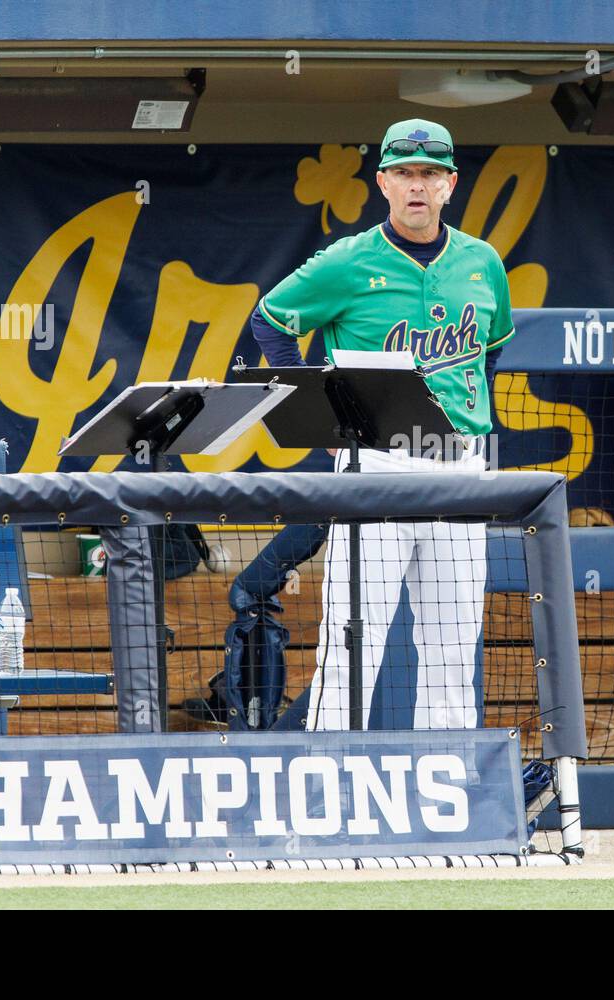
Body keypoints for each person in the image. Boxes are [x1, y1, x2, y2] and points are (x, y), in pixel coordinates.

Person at [248, 118, 514, 731]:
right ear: (383, 184)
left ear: (451, 184)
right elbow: (270, 322)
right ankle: (325, 795)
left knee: (453, 650)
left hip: (460, 467)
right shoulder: (348, 261)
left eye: (429, 174)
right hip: (378, 464)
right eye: (403, 173)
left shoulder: (482, 261)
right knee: (350, 644)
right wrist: (320, 402)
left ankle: (448, 798)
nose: (416, 186)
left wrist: (464, 410)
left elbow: (489, 350)